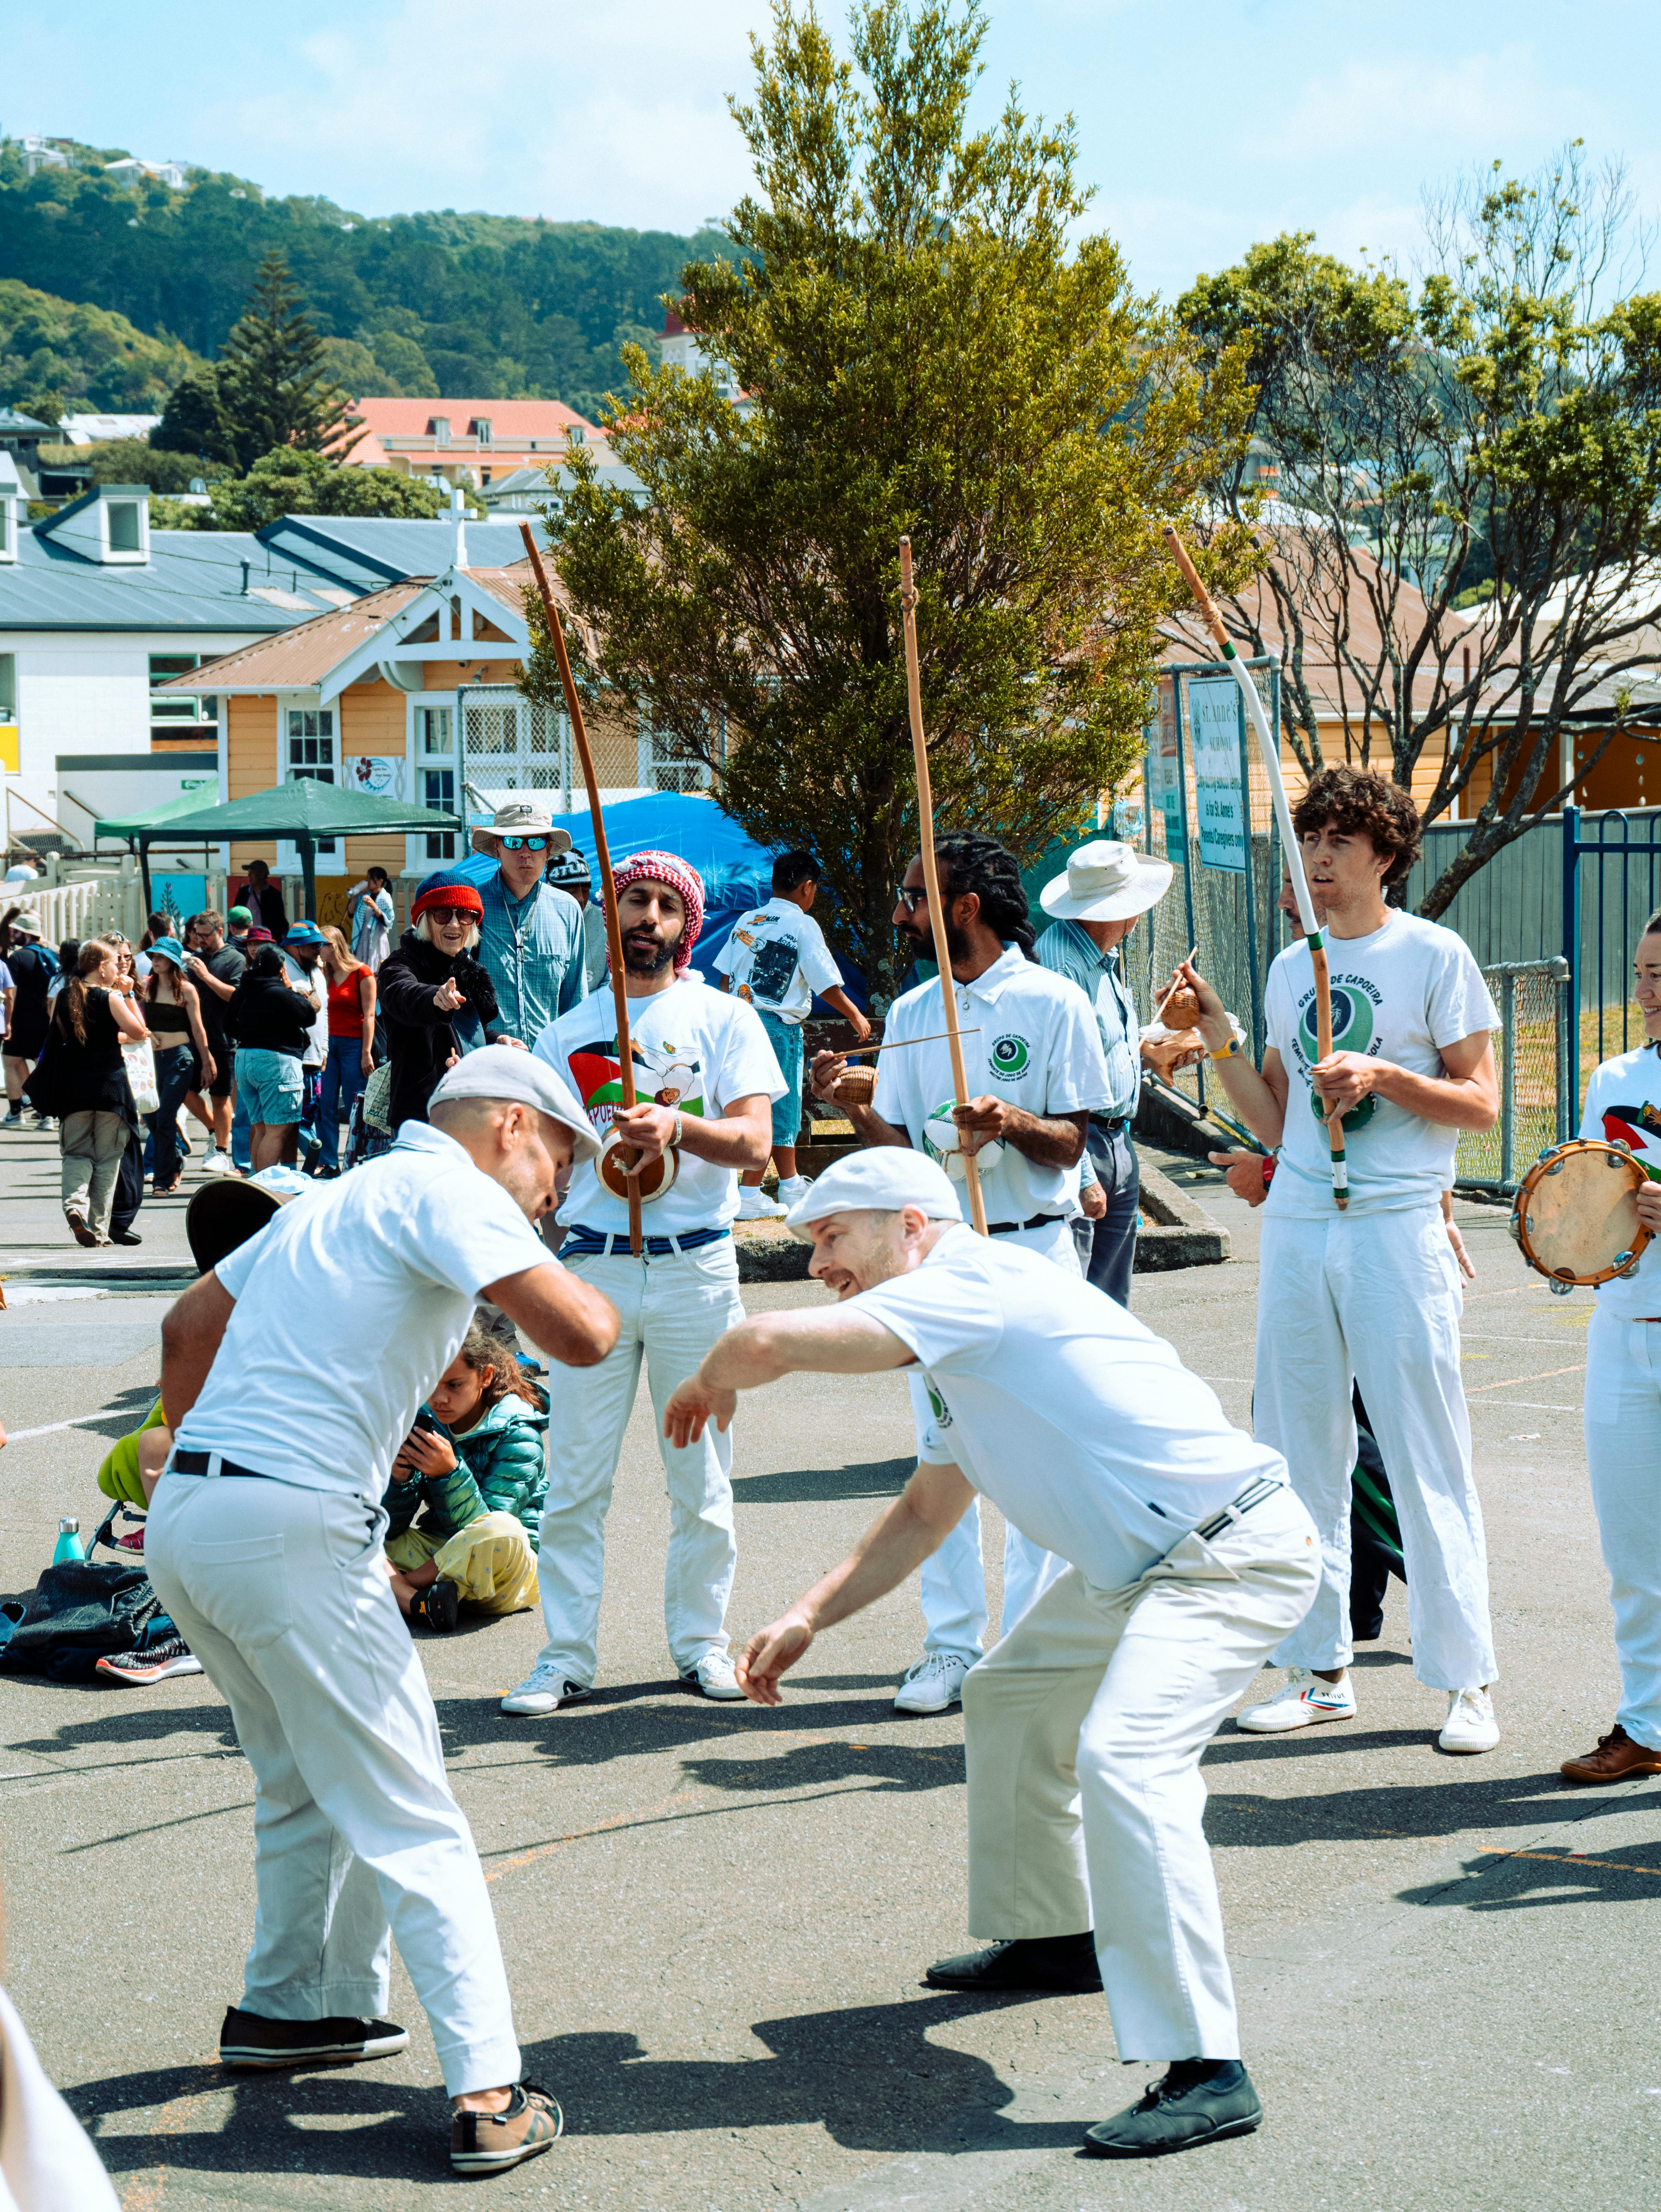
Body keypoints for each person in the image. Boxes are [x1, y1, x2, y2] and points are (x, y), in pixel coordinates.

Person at [662, 1150, 1319, 2160]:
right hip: (1149, 1566)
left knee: (1127, 1760)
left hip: (1227, 1555)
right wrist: (807, 1615)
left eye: (832, 1238)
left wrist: (710, 1379)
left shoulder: (975, 1283)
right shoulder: (948, 1343)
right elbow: (927, 1511)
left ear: (912, 1226)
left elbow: (762, 1338)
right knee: (1010, 1693)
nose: (817, 1264)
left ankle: (1207, 2067)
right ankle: (1059, 1936)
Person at [145, 1047, 618, 2176]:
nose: (562, 1184)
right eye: (561, 1153)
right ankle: (490, 2094)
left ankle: (298, 2007)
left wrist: (204, 1458)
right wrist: (592, 1263)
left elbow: (183, 1329)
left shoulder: (343, 1191)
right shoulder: (449, 1189)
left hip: (195, 1521)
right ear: (511, 1125)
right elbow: (583, 1335)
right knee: (415, 1812)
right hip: (295, 1523)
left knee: (302, 1778)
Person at [1183, 763, 1502, 1755]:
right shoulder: (1292, 966)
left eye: (1338, 842)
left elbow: (1483, 1101)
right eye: (1309, 840)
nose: (1317, 858)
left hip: (1396, 1222)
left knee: (1420, 1448)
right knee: (1293, 1452)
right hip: (1299, 1228)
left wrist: (1384, 1076)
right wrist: (1219, 1038)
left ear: (1385, 856)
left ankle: (1466, 1679)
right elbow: (1278, 1117)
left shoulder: (1433, 953)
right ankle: (1316, 1669)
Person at [811, 831, 1114, 1717]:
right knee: (942, 1447)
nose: (899, 911)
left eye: (913, 897)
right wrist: (851, 1108)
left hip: (1032, 1247)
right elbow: (903, 1155)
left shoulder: (1052, 1001)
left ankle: (1028, 1648)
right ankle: (948, 1646)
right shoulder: (910, 1013)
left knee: (1036, 1452)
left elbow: (1071, 1145)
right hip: (936, 1254)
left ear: (964, 909)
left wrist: (1008, 1120)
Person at [505, 850, 783, 1715]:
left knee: (698, 1476)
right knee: (575, 1478)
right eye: (633, 902)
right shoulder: (566, 1033)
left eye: (665, 905)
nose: (647, 919)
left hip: (696, 1268)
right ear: (610, 917)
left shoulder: (723, 1020)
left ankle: (701, 1643)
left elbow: (758, 1146)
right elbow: (540, 1163)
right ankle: (562, 1656)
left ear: (686, 925)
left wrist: (677, 1125)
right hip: (591, 1267)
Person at [1560, 910, 1661, 1784]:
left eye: (1660, 973)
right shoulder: (1614, 1078)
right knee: (1634, 1551)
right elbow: (1585, 1202)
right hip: (1626, 1331)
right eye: (1640, 971)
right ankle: (1645, 1724)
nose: (1644, 991)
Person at [1036, 840, 1176, 1306]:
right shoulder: (1061, 966)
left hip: (1115, 1138)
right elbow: (1054, 1076)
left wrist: (1157, 1050)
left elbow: (1104, 1049)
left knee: (1111, 1297)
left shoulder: (1099, 958)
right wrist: (1081, 1177)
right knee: (1079, 1297)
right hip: (1084, 1139)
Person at [715, 850, 872, 1219]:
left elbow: (724, 976)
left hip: (738, 1020)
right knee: (776, 1106)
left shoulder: (748, 919)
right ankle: (751, 1190)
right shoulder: (803, 924)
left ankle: (789, 1183)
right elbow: (823, 979)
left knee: (761, 1102)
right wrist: (855, 1015)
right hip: (776, 1026)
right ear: (808, 888)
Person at [382, 1323, 549, 1631]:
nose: (439, 1399)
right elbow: (390, 1527)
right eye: (430, 1385)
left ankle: (397, 1590)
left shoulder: (519, 1434)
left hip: (504, 1572)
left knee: (501, 1527)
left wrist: (449, 1473)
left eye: (454, 1386)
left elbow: (486, 1528)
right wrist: (400, 1479)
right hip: (443, 1558)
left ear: (485, 1377)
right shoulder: (427, 1422)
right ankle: (416, 1600)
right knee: (353, 1526)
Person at [377, 872, 502, 1130]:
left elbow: (463, 1034)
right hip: (422, 1119)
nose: (455, 925)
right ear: (424, 920)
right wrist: (436, 998)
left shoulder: (466, 968)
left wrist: (496, 1041)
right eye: (443, 914)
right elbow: (403, 993)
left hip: (471, 1113)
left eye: (465, 914)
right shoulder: (401, 964)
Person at [48, 938, 150, 1245]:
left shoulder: (66, 996)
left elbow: (58, 1038)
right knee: (107, 1159)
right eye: (113, 963)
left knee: (76, 1153)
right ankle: (100, 1230)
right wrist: (128, 993)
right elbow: (139, 1032)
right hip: (111, 1088)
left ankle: (75, 1209)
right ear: (102, 966)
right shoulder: (110, 998)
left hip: (74, 1089)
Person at [471, 801, 587, 1045]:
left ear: (549, 849)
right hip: (486, 1062)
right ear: (497, 847)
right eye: (514, 842)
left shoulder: (568, 910)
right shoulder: (473, 907)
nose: (525, 852)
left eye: (536, 842)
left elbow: (575, 1002)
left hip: (547, 1065)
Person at [226, 936, 313, 1170]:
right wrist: (290, 988)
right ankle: (265, 1190)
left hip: (245, 1058)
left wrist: (250, 1033)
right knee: (277, 1130)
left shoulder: (243, 990)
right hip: (277, 1061)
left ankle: (257, 1184)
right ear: (281, 968)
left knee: (262, 1127)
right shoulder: (280, 993)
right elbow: (308, 1015)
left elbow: (229, 1026)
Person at [142, 937, 216, 1197]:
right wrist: (146, 1033)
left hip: (180, 1058)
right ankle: (176, 1154)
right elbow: (135, 1018)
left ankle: (161, 1181)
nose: (155, 960)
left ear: (173, 961)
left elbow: (198, 1028)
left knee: (164, 1117)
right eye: (153, 956)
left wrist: (207, 1061)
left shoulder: (186, 990)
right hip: (150, 1061)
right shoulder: (146, 986)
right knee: (151, 1117)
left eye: (161, 956)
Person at [180, 910, 245, 1175]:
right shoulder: (195, 958)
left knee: (220, 1096)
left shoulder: (234, 959)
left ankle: (220, 1150)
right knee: (182, 1090)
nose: (200, 940)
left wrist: (206, 976)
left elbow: (236, 996)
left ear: (220, 932)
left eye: (205, 935)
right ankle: (213, 1129)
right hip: (193, 1039)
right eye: (197, 935)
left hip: (222, 1039)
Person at [315, 924, 376, 1177]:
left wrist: (366, 1052)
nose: (319, 949)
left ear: (335, 945)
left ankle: (356, 1158)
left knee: (355, 1105)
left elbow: (370, 1014)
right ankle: (329, 1161)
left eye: (324, 944)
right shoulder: (322, 974)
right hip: (328, 1045)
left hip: (354, 1044)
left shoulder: (362, 972)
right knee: (325, 1104)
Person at [281, 923, 330, 1170]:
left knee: (307, 1117)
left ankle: (305, 1169)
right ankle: (322, 1161)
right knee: (292, 1118)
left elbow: (326, 1014)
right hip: (291, 1058)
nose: (318, 949)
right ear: (294, 946)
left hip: (314, 1059)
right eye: (313, 945)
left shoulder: (317, 972)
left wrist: (325, 1050)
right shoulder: (283, 970)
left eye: (319, 944)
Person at [3, 912, 56, 1125]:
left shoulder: (17, 958)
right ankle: (46, 1114)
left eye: (16, 931)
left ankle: (16, 1112)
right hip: (47, 1020)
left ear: (25, 934)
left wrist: (7, 1020)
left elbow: (11, 993)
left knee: (10, 1063)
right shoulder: (52, 955)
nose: (12, 934)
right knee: (39, 1064)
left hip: (22, 1020)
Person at [545, 847, 609, 993]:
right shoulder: (536, 922)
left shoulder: (606, 922)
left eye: (586, 890)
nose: (581, 898)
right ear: (552, 891)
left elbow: (612, 983)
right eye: (571, 892)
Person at [347, 866, 396, 972]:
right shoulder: (363, 896)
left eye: (370, 879)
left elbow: (388, 921)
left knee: (376, 969)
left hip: (377, 940)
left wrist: (375, 907)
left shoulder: (385, 897)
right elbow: (351, 913)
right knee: (361, 968)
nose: (367, 881)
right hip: (363, 939)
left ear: (379, 882)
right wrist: (355, 896)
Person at [240, 859, 289, 943]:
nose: (249, 876)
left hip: (266, 939)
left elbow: (279, 919)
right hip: (247, 938)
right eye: (249, 873)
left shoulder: (274, 895)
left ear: (262, 875)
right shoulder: (244, 892)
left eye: (253, 873)